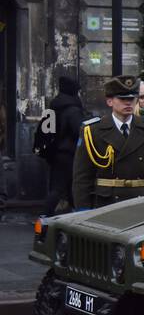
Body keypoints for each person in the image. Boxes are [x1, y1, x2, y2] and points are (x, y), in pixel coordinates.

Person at [72, 75, 144, 210]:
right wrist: (83, 210)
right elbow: (82, 176)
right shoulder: (92, 131)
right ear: (110, 101)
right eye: (122, 99)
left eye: (132, 99)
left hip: (140, 201)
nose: (128, 103)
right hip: (106, 202)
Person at [41, 76, 84, 215]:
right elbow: (80, 131)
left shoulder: (56, 105)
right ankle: (45, 217)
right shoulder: (72, 109)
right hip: (68, 154)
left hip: (56, 152)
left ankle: (75, 213)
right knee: (60, 188)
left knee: (65, 187)